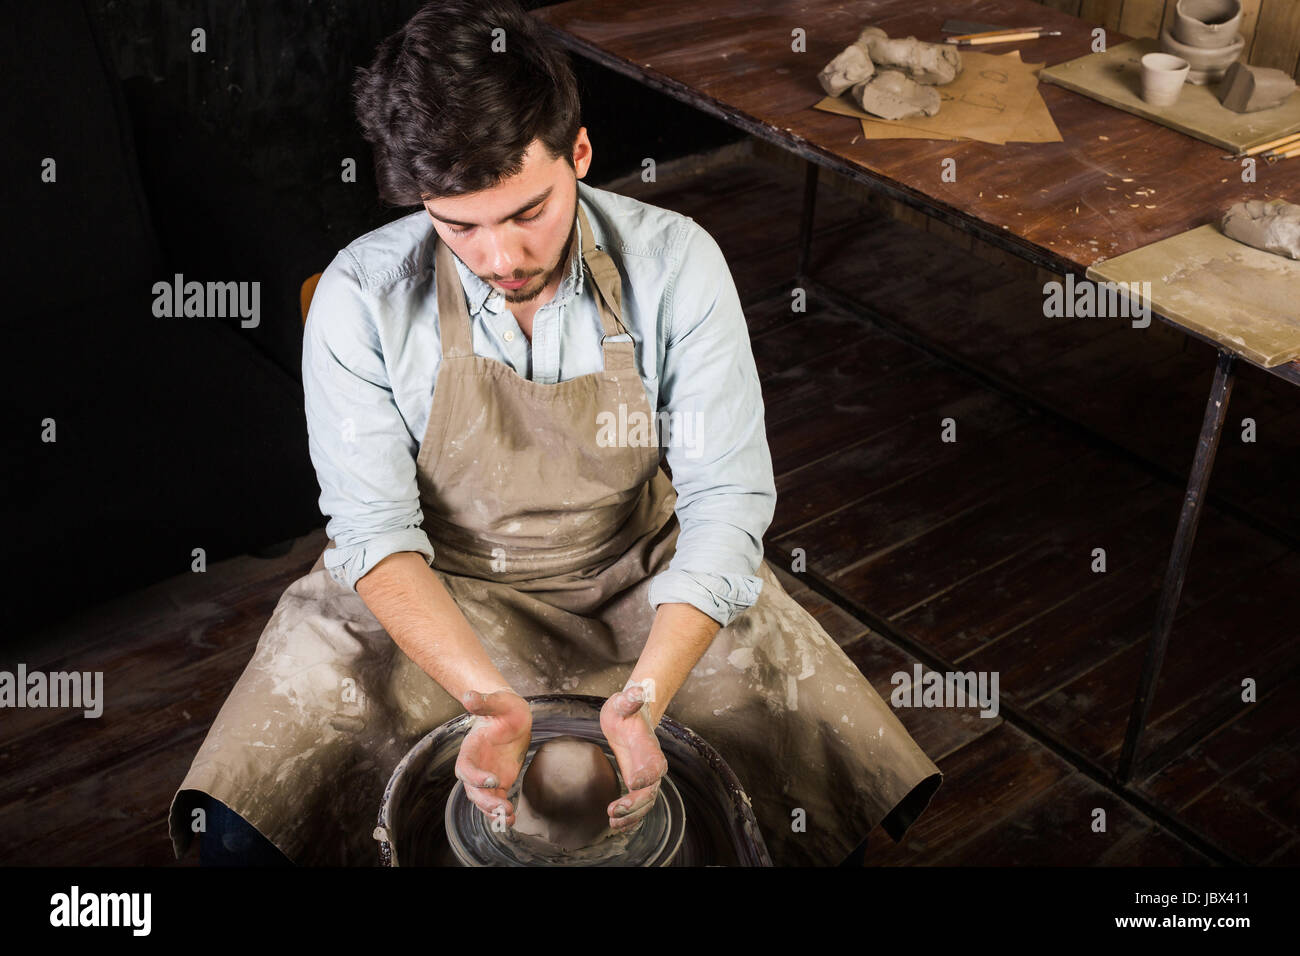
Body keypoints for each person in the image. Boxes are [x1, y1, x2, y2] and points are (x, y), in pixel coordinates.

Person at [169, 0, 941, 867]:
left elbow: (727, 504)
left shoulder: (677, 263)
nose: (499, 258)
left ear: (579, 153)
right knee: (244, 824)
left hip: (639, 573)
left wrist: (645, 699)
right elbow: (376, 536)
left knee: (822, 778)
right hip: (440, 585)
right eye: (458, 225)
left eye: (527, 211)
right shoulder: (362, 296)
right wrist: (489, 701)